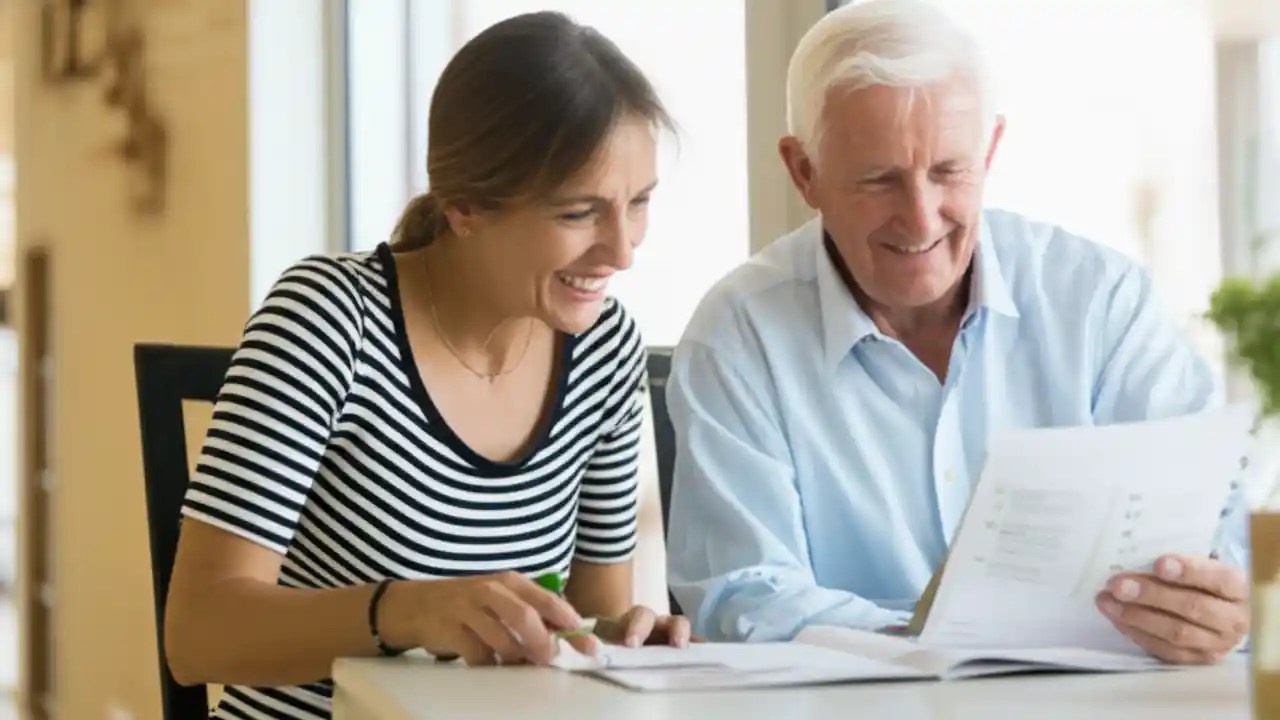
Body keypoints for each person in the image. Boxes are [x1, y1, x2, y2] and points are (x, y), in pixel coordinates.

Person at [664, 0, 1249, 665]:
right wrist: (945, 638)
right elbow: (743, 598)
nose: (920, 220)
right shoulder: (738, 337)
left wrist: (1218, 603)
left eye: (948, 171)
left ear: (991, 149)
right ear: (804, 172)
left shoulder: (1101, 304)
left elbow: (1223, 526)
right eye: (879, 180)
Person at [164, 12, 689, 719]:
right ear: (466, 205)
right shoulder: (330, 320)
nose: (622, 251)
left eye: (639, 204)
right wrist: (404, 611)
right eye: (578, 213)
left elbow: (589, 625)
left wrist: (624, 637)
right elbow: (199, 636)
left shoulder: (603, 347)